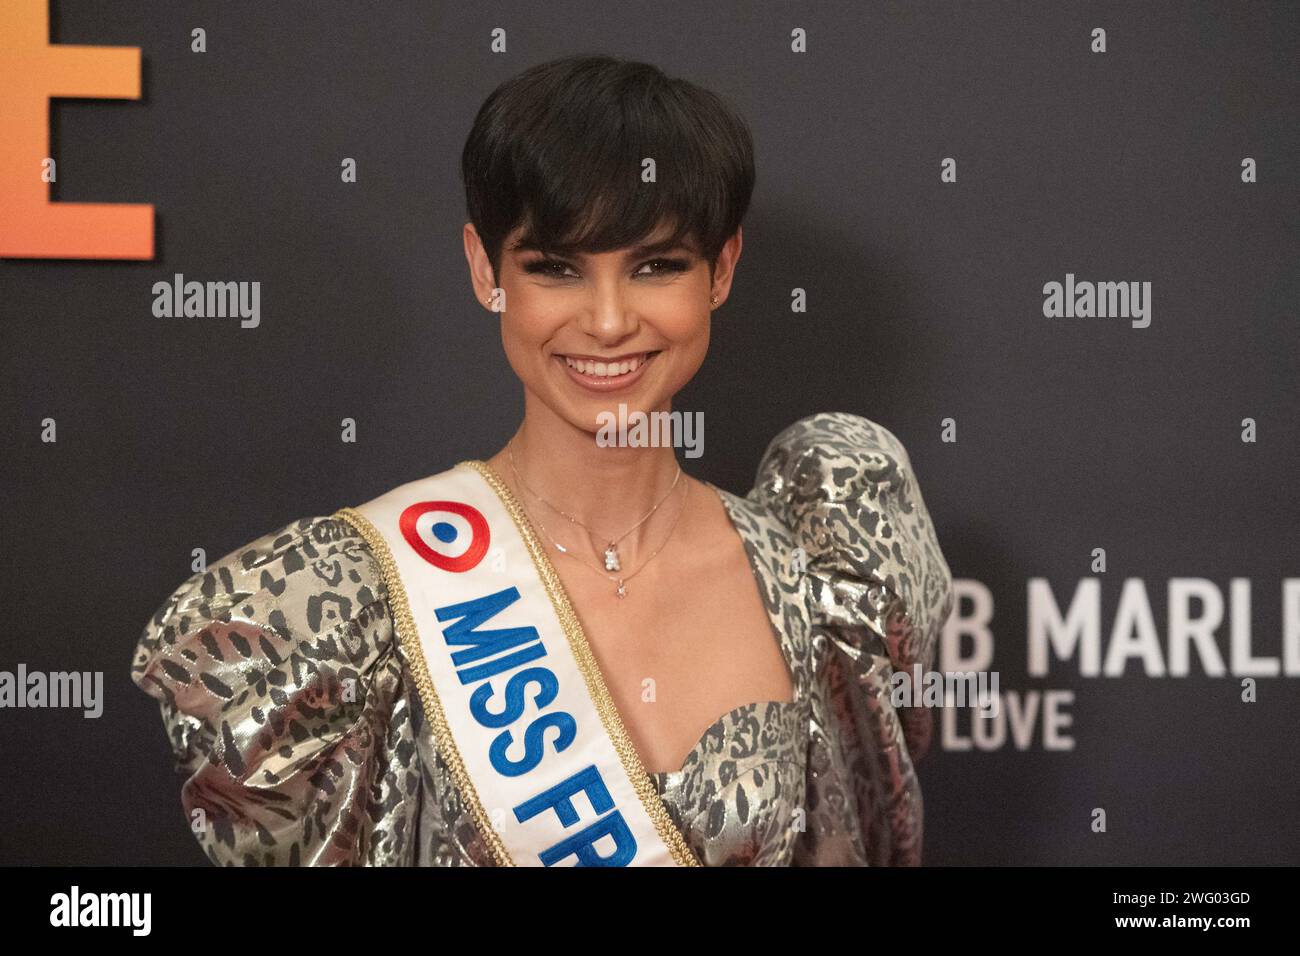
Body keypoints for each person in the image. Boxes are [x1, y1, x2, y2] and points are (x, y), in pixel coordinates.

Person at [130, 54, 955, 866]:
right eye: (555, 268)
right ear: (486, 269)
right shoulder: (360, 600)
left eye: (656, 266)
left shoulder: (801, 578)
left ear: (723, 270)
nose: (605, 322)